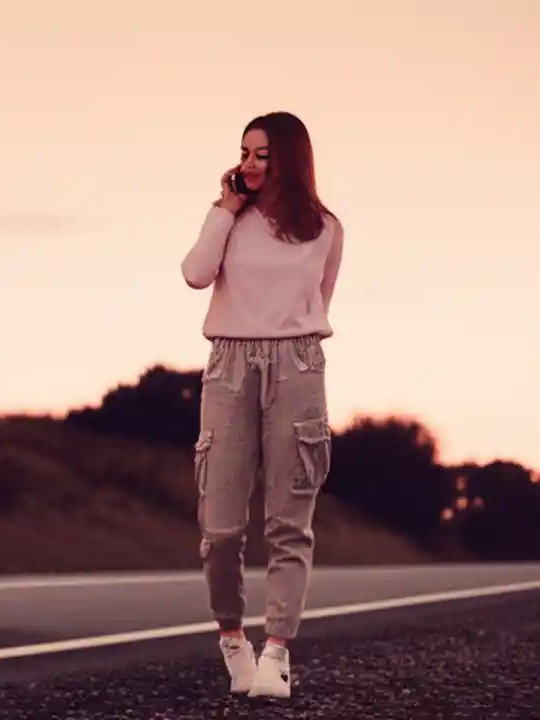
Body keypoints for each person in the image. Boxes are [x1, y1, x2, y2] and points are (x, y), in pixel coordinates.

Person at [180, 111, 343, 699]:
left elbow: (317, 300)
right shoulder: (229, 219)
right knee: (220, 529)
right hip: (228, 365)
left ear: (290, 160)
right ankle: (232, 638)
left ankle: (277, 651)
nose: (248, 163)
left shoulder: (325, 228)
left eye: (262, 154)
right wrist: (223, 209)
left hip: (297, 365)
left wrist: (283, 344)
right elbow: (196, 274)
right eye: (244, 152)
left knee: (288, 524)